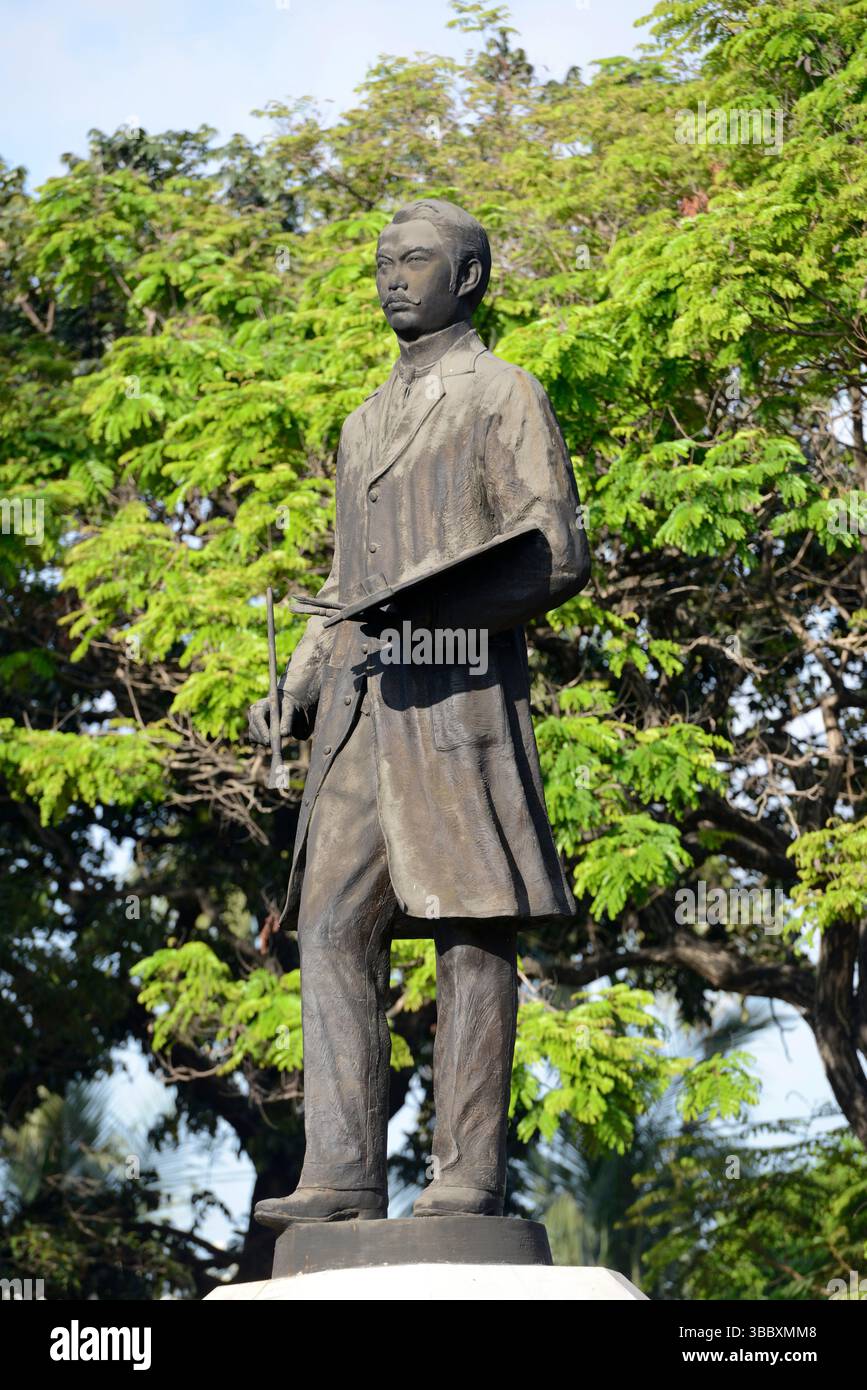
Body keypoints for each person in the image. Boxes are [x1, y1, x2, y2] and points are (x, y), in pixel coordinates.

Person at [248, 198, 590, 1225]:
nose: (392, 275)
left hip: (454, 698)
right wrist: (301, 682)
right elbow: (344, 577)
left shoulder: (502, 394)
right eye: (383, 260)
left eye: (414, 259)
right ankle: (343, 1172)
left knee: (469, 930)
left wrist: (436, 617)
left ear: (469, 277)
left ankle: (467, 1173)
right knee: (332, 925)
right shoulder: (360, 425)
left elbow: (556, 552)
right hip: (359, 715)